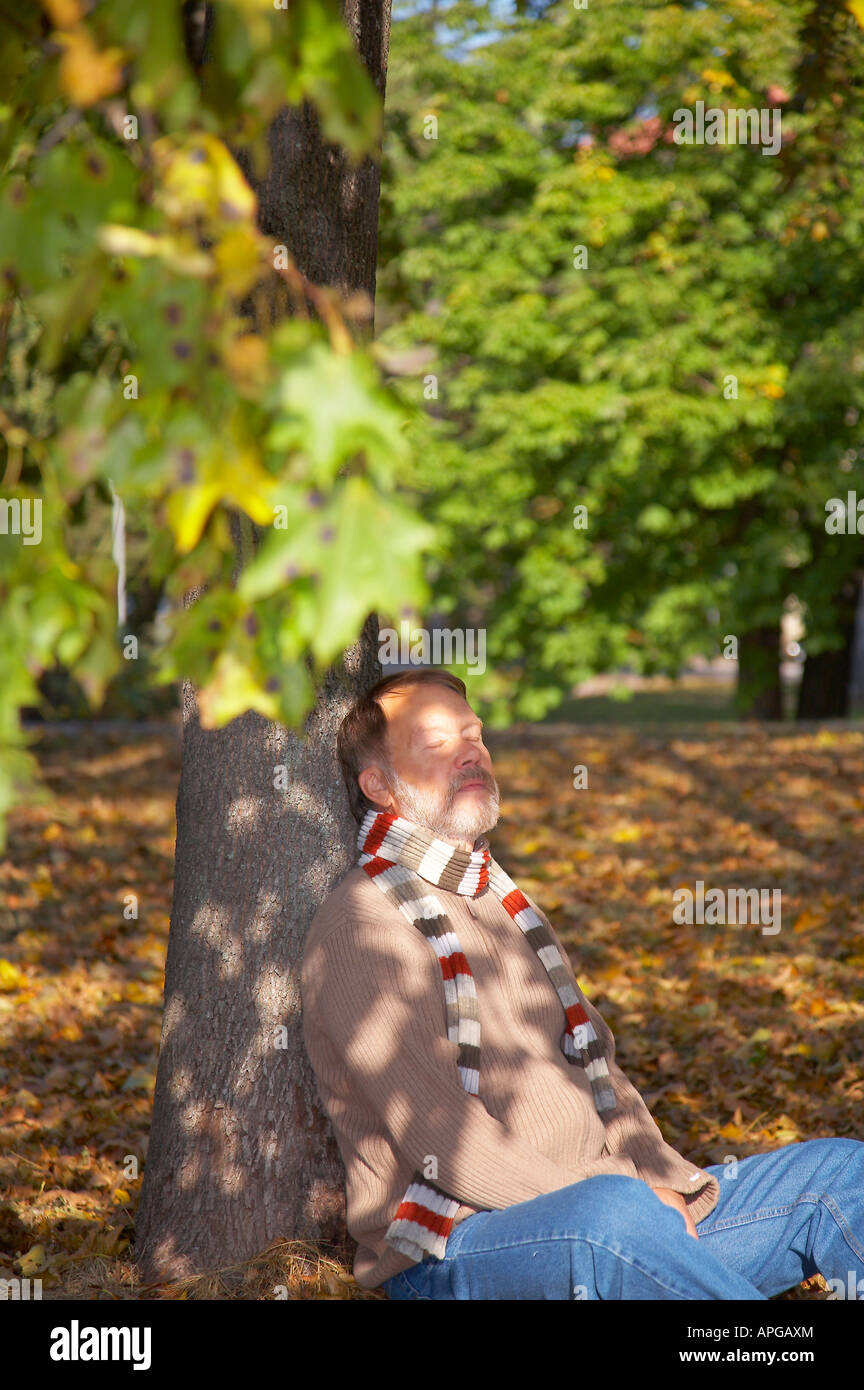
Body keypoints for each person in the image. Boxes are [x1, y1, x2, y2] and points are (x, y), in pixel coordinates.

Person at [300, 668, 864, 1300]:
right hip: (461, 1248)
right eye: (437, 742)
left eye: (475, 735)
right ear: (379, 785)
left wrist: (661, 1187)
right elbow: (442, 1139)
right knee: (611, 1220)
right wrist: (631, 1206)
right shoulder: (361, 924)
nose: (471, 753)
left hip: (612, 1214)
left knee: (843, 1175)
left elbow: (600, 1068)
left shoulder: (503, 900)